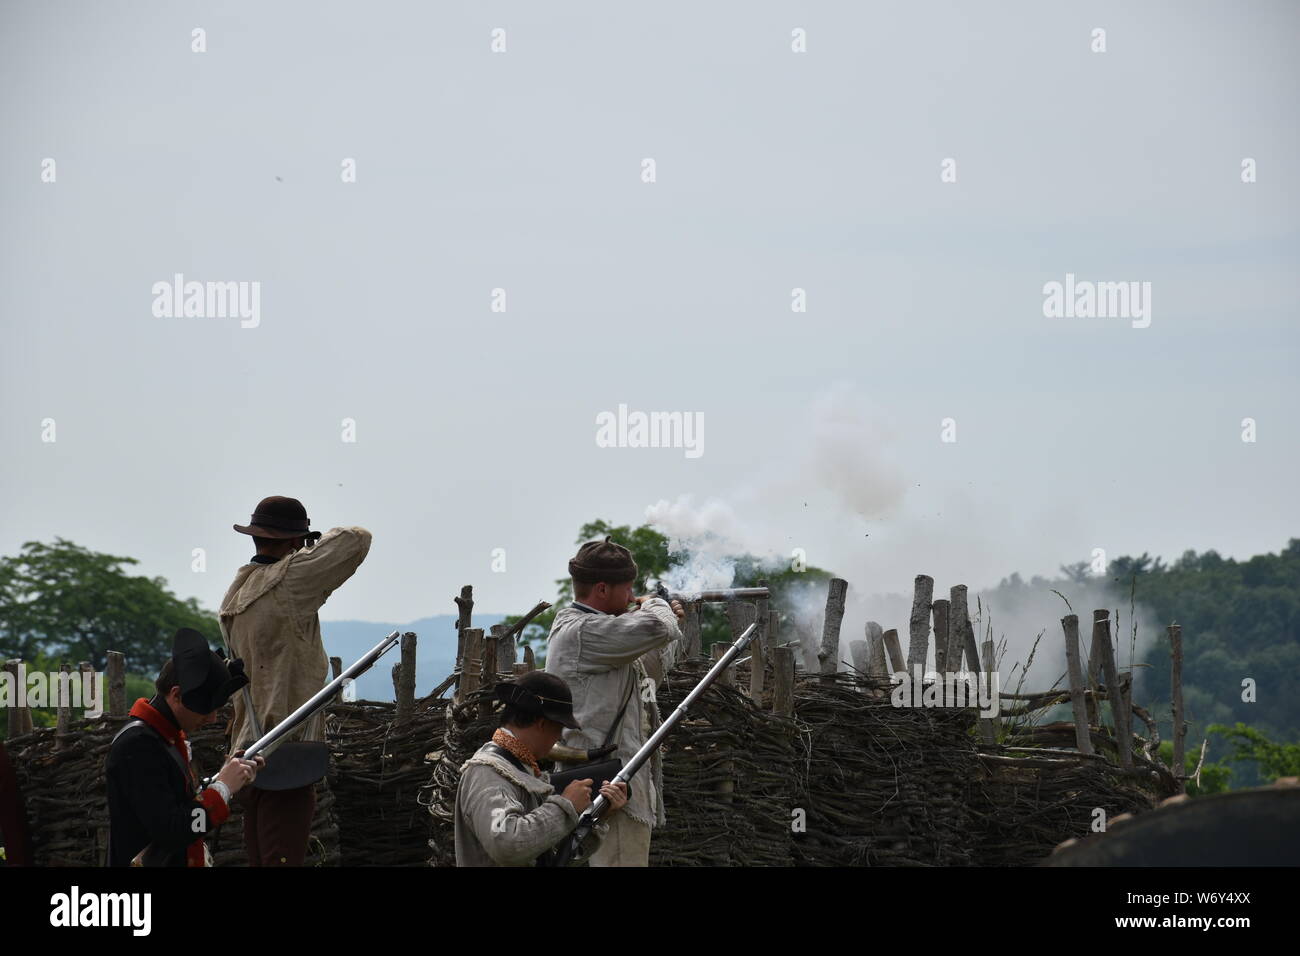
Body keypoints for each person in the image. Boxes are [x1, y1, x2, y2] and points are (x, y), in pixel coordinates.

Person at [219, 495, 370, 866]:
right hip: (284, 751)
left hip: (248, 748)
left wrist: (300, 545)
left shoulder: (238, 591)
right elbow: (357, 538)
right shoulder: (289, 579)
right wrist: (308, 549)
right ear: (292, 541)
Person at [545, 537, 685, 866]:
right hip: (607, 790)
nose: (631, 596)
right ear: (603, 589)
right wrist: (658, 604)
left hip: (614, 787)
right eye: (627, 589)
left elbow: (645, 677)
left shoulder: (599, 632)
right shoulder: (584, 630)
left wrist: (673, 621)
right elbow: (654, 623)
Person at [106, 628, 264, 867]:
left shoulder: (162, 739)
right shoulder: (138, 746)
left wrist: (229, 776)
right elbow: (174, 831)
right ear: (177, 695)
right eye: (206, 708)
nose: (212, 718)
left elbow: (179, 807)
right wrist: (223, 788)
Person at [454, 671, 627, 866]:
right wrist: (565, 806)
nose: (559, 737)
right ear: (542, 723)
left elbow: (554, 858)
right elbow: (506, 845)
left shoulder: (520, 769)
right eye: (559, 728)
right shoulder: (487, 773)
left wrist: (598, 816)